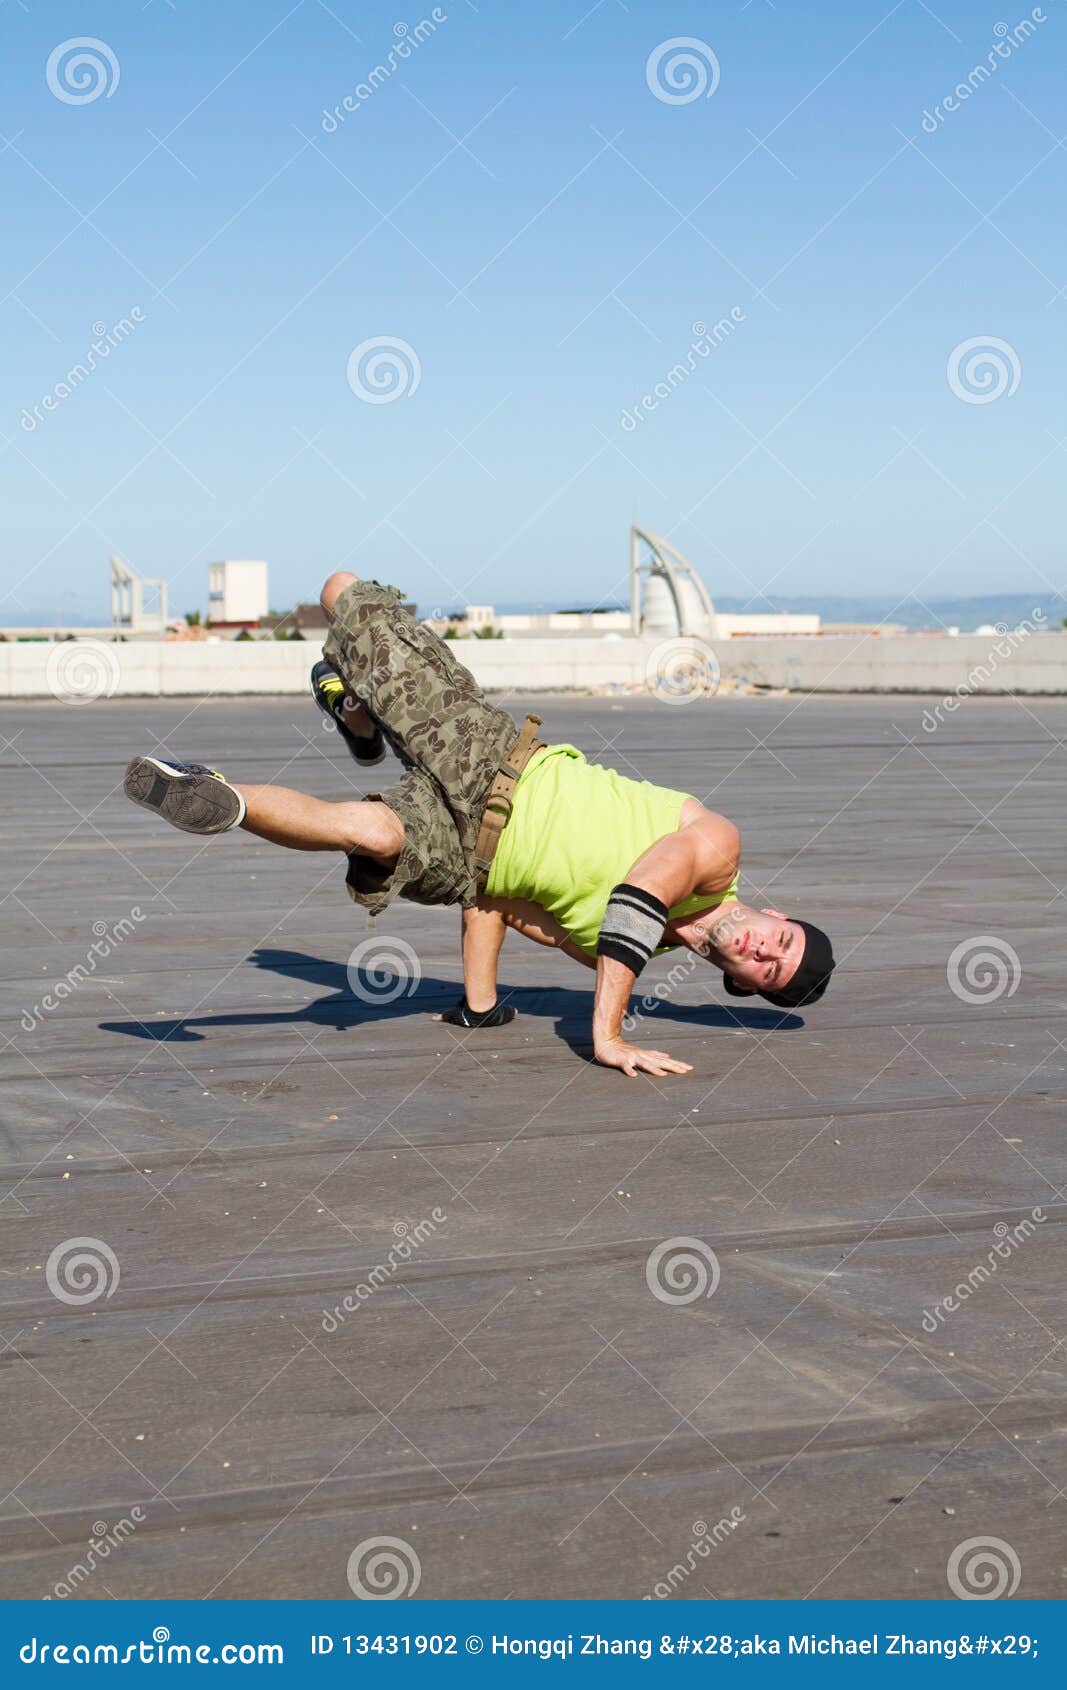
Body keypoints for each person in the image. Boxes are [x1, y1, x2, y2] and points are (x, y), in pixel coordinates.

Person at [124, 573, 835, 1077]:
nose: (763, 948)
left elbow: (497, 903)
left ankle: (215, 794)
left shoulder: (610, 960)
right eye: (782, 938)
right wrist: (608, 1038)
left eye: (767, 968)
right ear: (776, 913)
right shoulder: (717, 851)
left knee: (368, 833)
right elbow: (638, 899)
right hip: (490, 760)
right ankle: (358, 718)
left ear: (741, 984)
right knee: (342, 591)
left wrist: (481, 1006)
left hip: (470, 850)